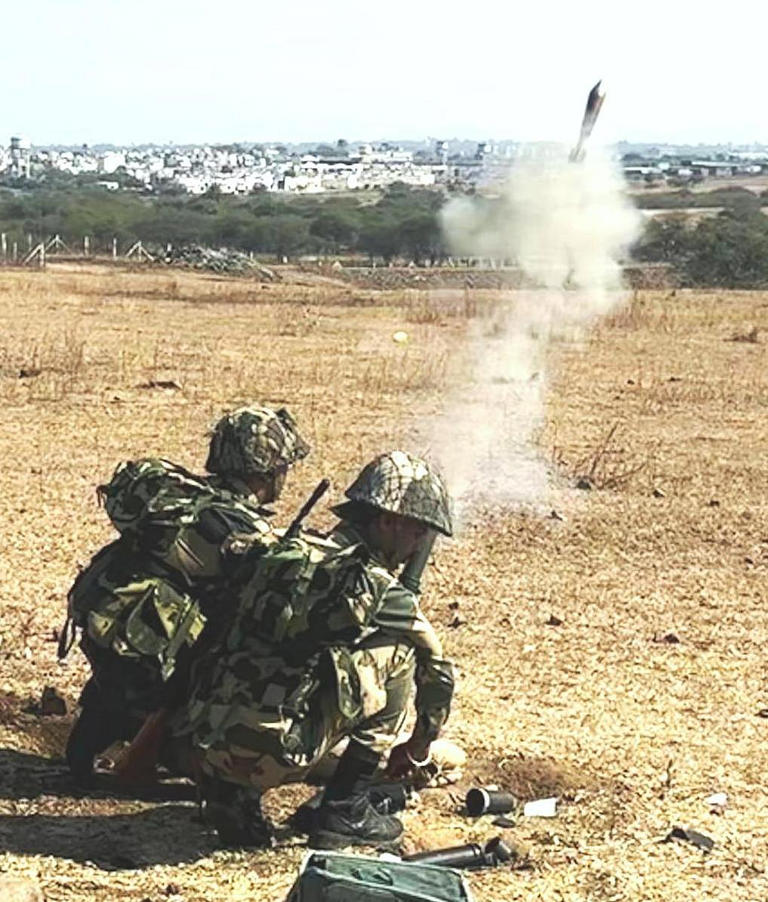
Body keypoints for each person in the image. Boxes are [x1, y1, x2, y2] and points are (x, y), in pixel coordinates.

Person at [171, 450, 455, 850]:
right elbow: (437, 669)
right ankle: (345, 808)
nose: (421, 542)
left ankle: (233, 796)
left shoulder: (279, 551)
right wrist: (420, 745)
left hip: (206, 741)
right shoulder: (373, 584)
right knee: (401, 654)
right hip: (282, 748)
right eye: (419, 530)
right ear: (387, 521)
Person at [61, 405, 309, 783]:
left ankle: (110, 724)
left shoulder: (176, 498)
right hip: (158, 664)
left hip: (112, 639)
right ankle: (159, 746)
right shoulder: (244, 532)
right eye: (283, 467)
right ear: (266, 470)